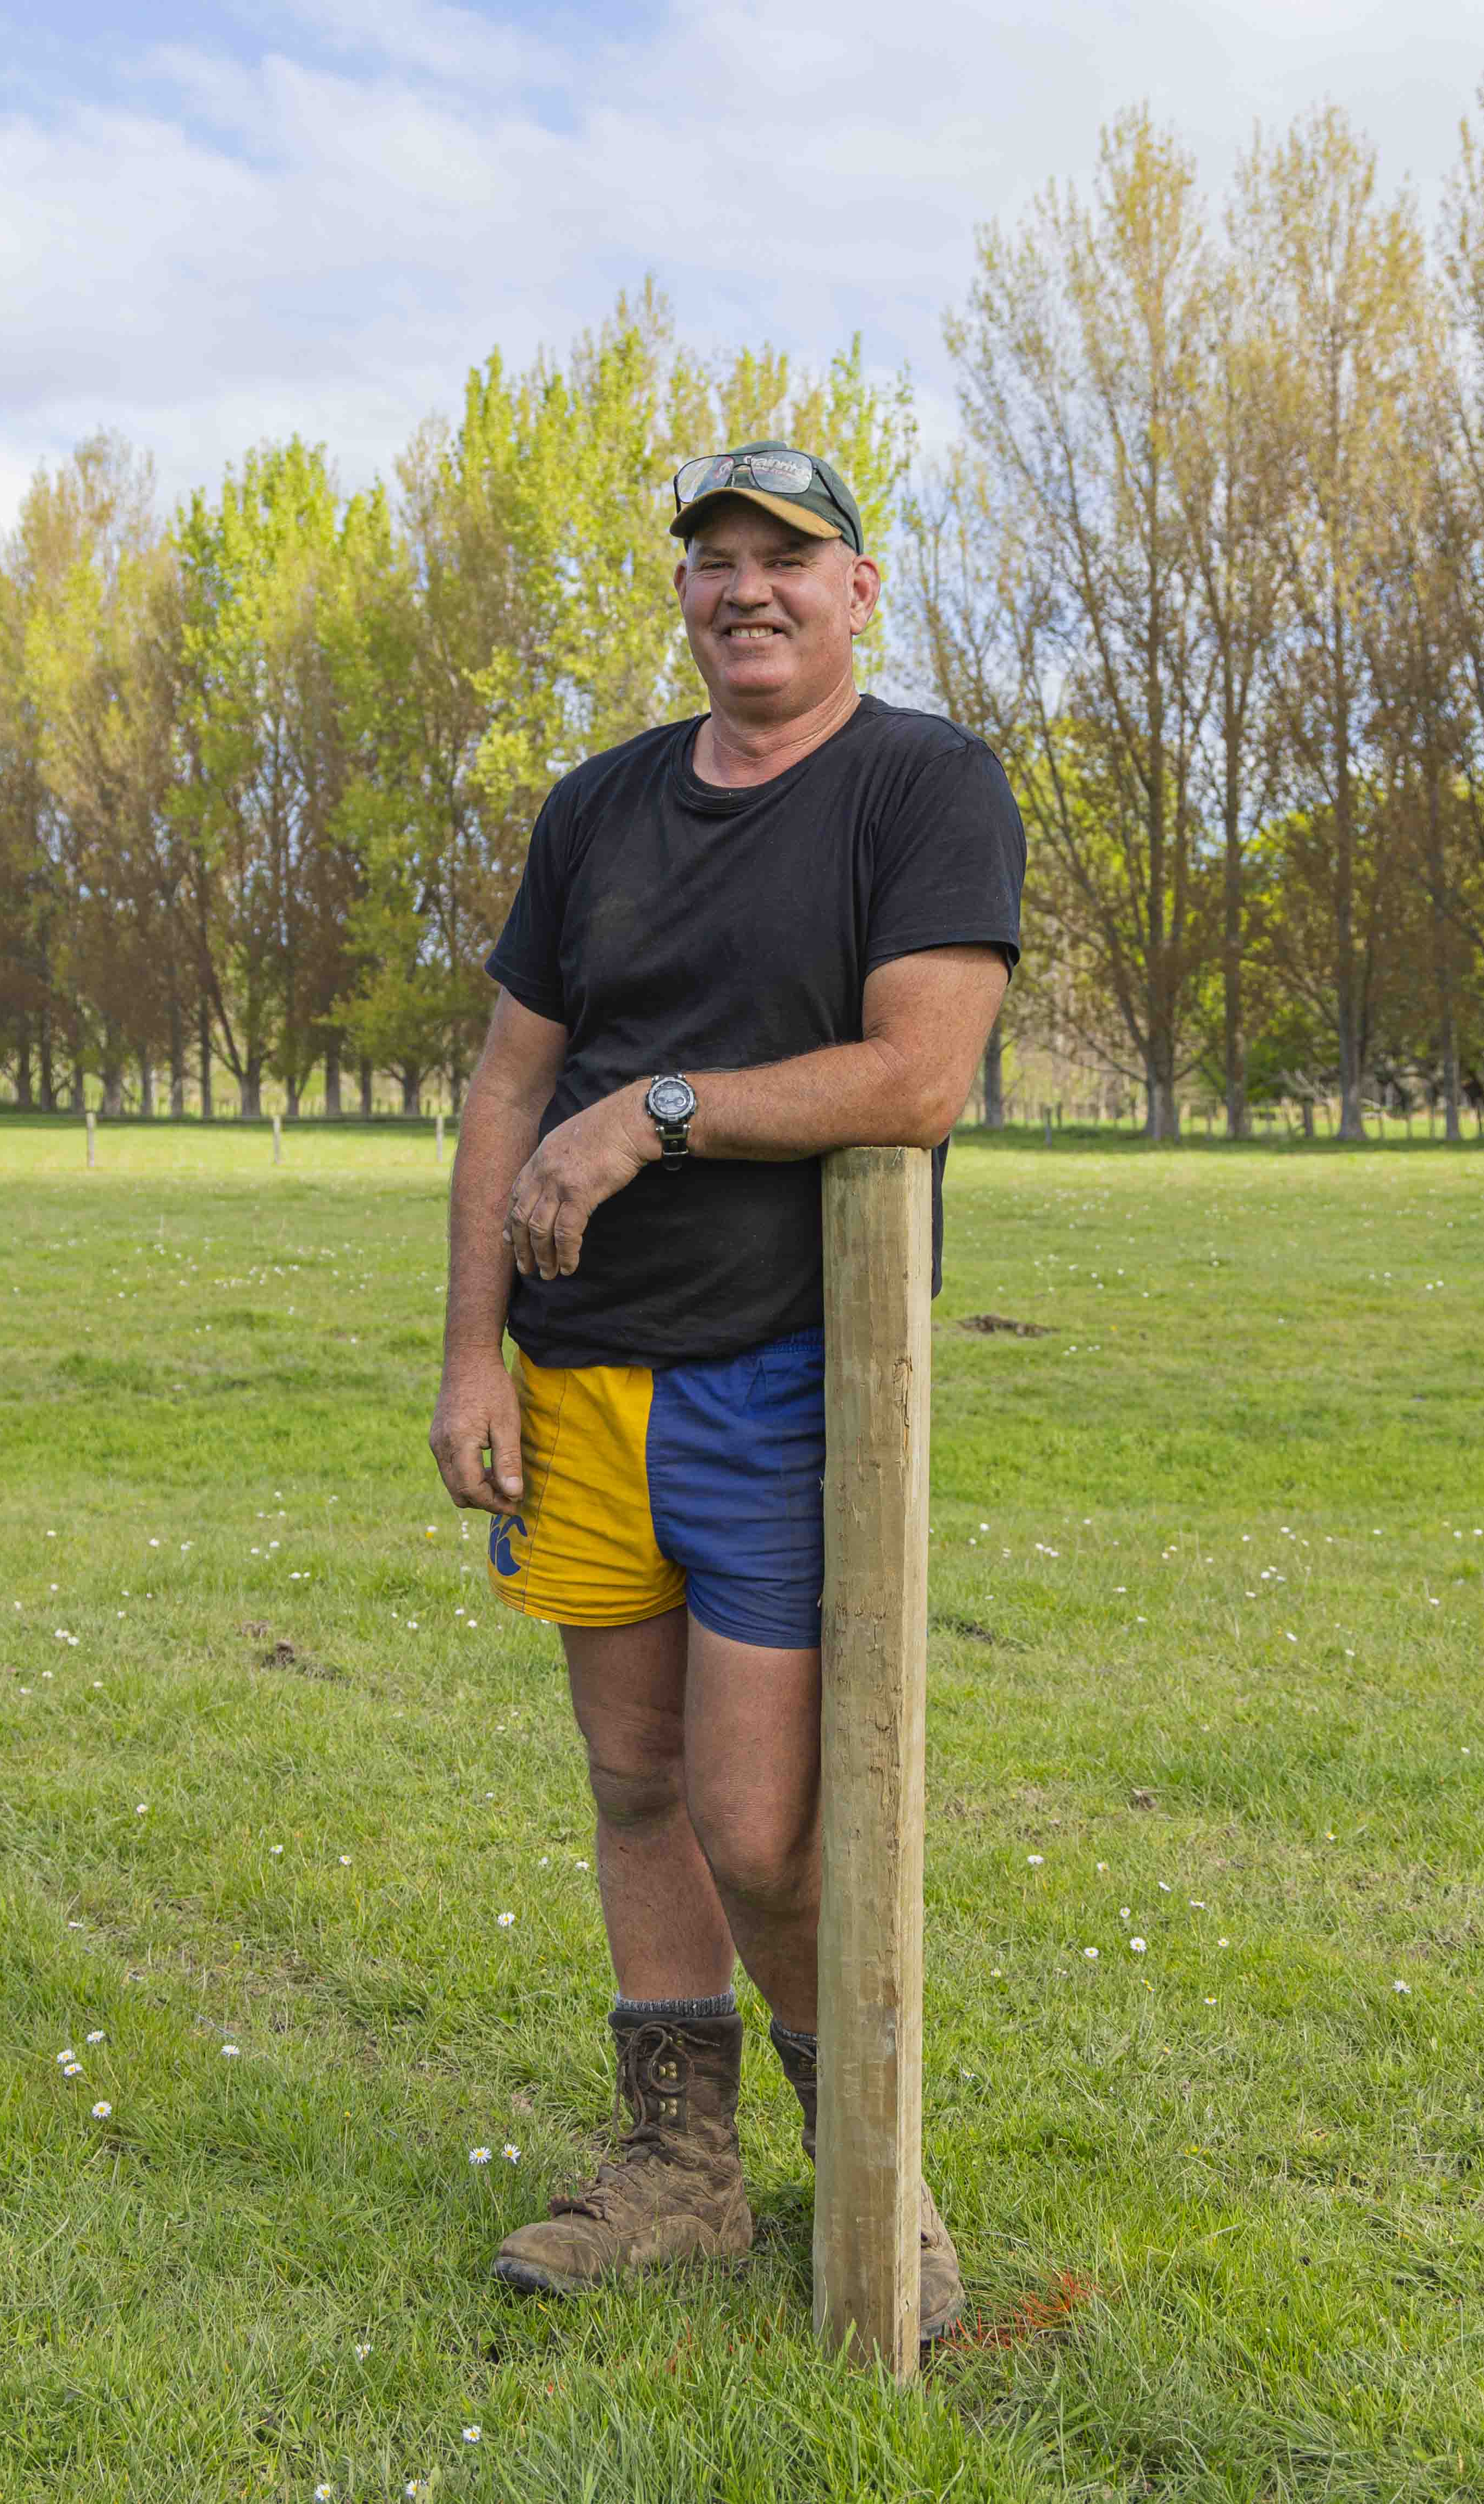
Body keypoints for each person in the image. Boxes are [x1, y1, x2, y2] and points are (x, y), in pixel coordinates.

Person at [427, 443, 1020, 2333]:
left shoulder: (922, 785)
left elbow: (915, 1075)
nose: (744, 587)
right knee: (633, 1780)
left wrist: (656, 1114)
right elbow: (505, 1083)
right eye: (713, 559)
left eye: (788, 557)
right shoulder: (595, 807)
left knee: (763, 1824)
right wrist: (467, 1353)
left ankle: (870, 2162)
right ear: (682, 595)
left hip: (784, 1376)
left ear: (862, 592)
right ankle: (679, 2175)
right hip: (581, 1372)